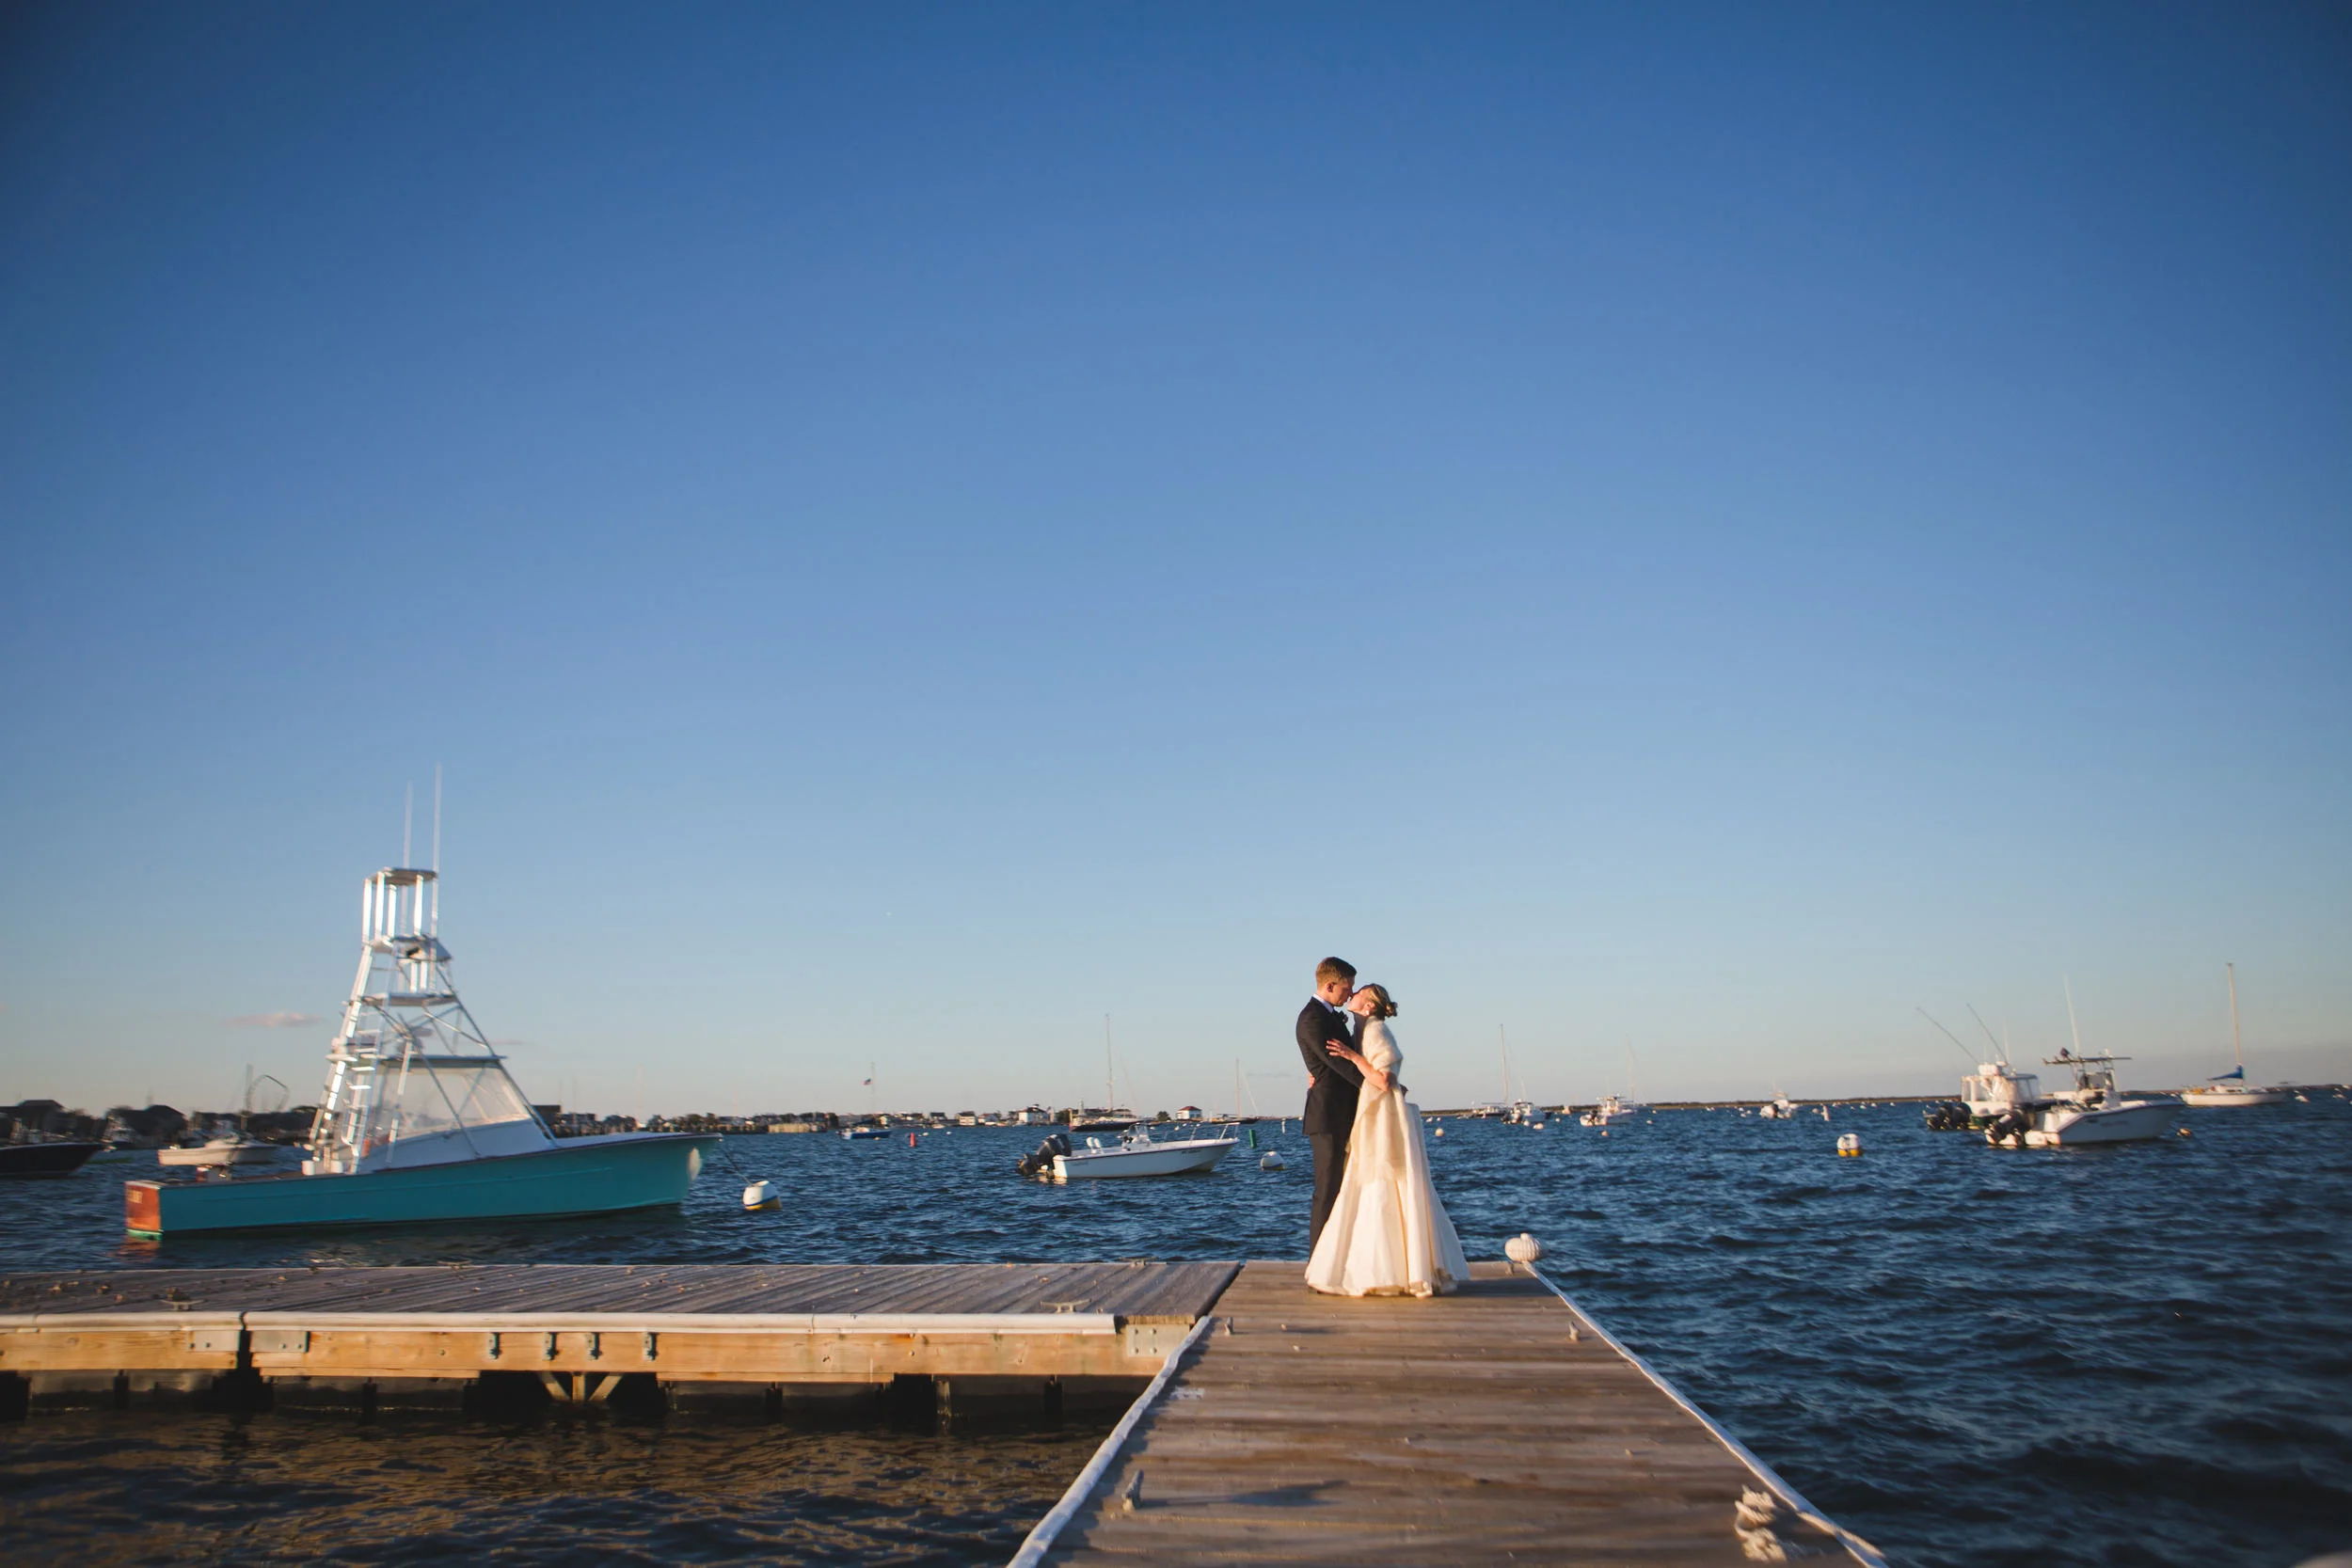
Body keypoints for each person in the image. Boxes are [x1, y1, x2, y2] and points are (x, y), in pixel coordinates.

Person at [1303, 982, 1470, 1297]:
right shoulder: (1362, 1031)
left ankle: (1391, 1270)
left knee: (1381, 1186)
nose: (1352, 995)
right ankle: (1375, 1268)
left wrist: (1353, 1057)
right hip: (1370, 1119)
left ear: (1369, 1006)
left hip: (1382, 1122)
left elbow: (1382, 1080)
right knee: (1371, 1189)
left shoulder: (1377, 1032)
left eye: (1359, 993)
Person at [1295, 956, 1362, 1252]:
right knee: (1326, 1191)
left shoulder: (1329, 1016)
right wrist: (1379, 1085)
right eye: (1347, 988)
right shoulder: (1312, 1018)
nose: (1350, 994)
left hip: (1343, 1112)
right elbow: (1338, 1065)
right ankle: (1319, 1261)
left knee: (1342, 1188)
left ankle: (1340, 1254)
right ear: (1330, 985)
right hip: (1327, 1115)